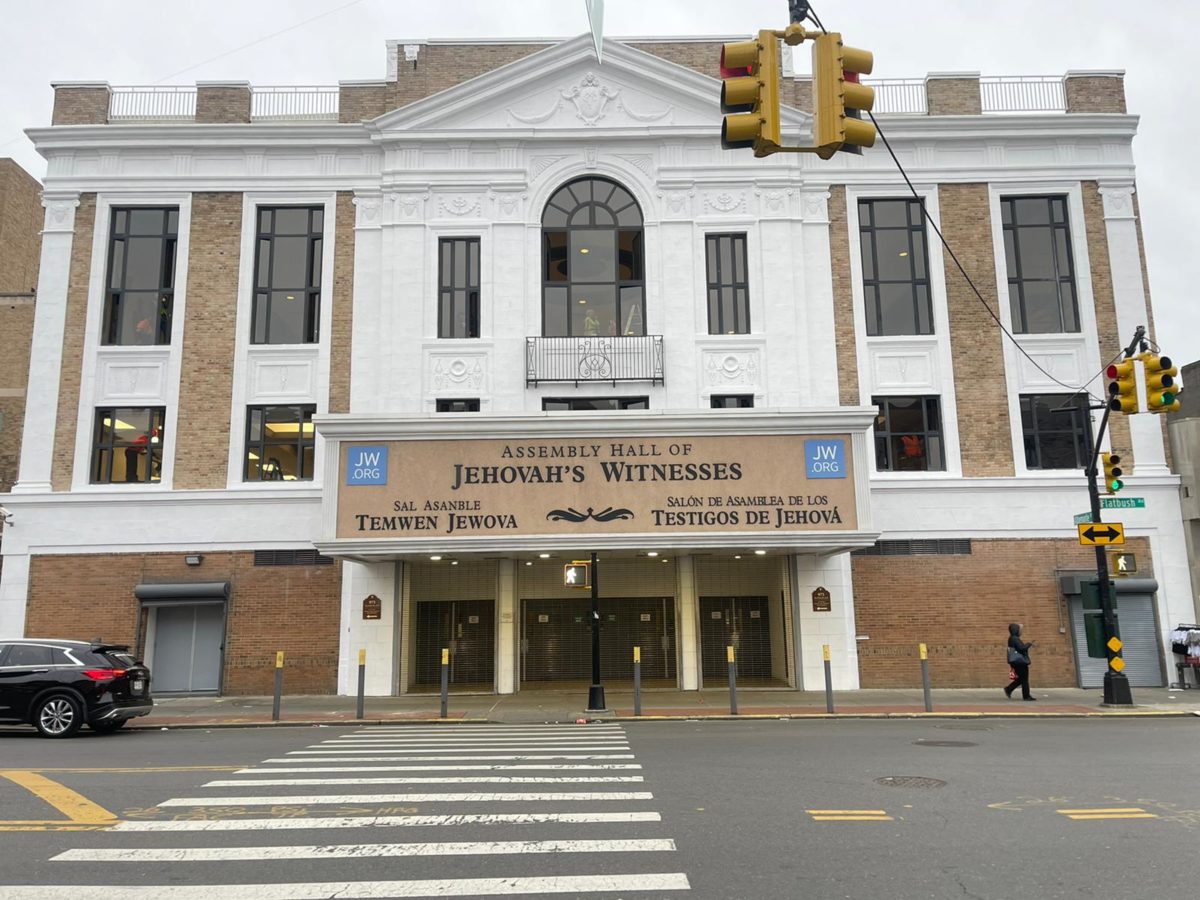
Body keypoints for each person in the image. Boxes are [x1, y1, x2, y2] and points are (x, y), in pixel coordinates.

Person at [1004, 622, 1036, 701]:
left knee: (1021, 678)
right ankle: (1026, 696)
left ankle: (1009, 689)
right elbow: (1022, 648)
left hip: (1016, 662)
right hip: (1019, 662)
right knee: (1024, 679)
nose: (1020, 631)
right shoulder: (1014, 638)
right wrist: (1029, 644)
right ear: (1016, 630)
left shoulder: (1012, 638)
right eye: (1019, 629)